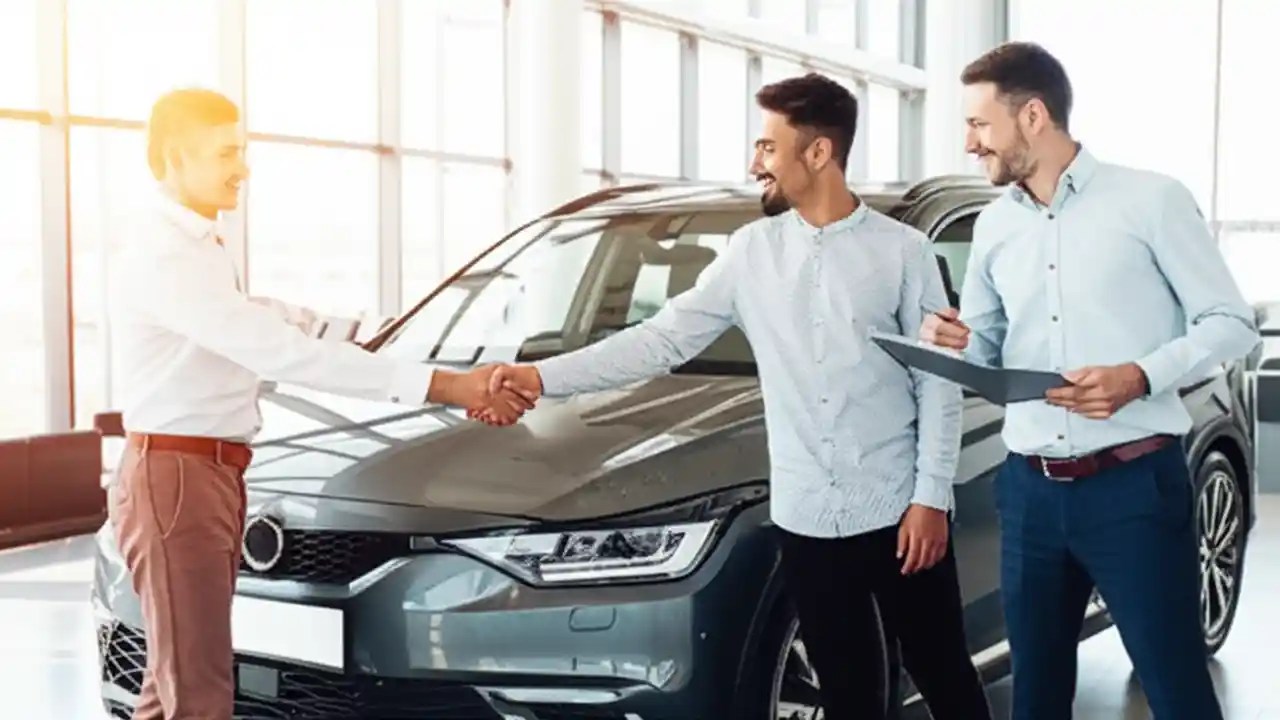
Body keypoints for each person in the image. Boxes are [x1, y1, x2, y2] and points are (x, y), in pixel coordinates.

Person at [474, 74, 991, 720]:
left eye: (768, 147)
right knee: (849, 696)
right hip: (807, 521)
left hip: (898, 512)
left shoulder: (904, 252)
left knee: (946, 677)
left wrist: (931, 498)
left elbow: (936, 379)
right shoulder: (750, 253)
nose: (755, 165)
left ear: (819, 153)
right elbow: (661, 340)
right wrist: (541, 377)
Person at [106, 88, 533, 720]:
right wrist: (447, 386)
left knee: (172, 685)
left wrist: (374, 332)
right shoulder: (163, 253)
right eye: (226, 153)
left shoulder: (196, 245)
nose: (243, 168)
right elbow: (278, 351)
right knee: (197, 693)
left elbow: (261, 317)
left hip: (204, 473)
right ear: (174, 156)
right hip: (179, 481)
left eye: (241, 150)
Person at [918, 42, 1259, 720]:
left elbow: (1231, 323)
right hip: (1029, 495)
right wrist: (951, 339)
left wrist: (1140, 376)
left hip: (1133, 489)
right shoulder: (995, 225)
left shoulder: (1151, 200)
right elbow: (987, 346)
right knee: (1036, 699)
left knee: (1178, 694)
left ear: (1033, 116)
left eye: (980, 124)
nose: (970, 143)